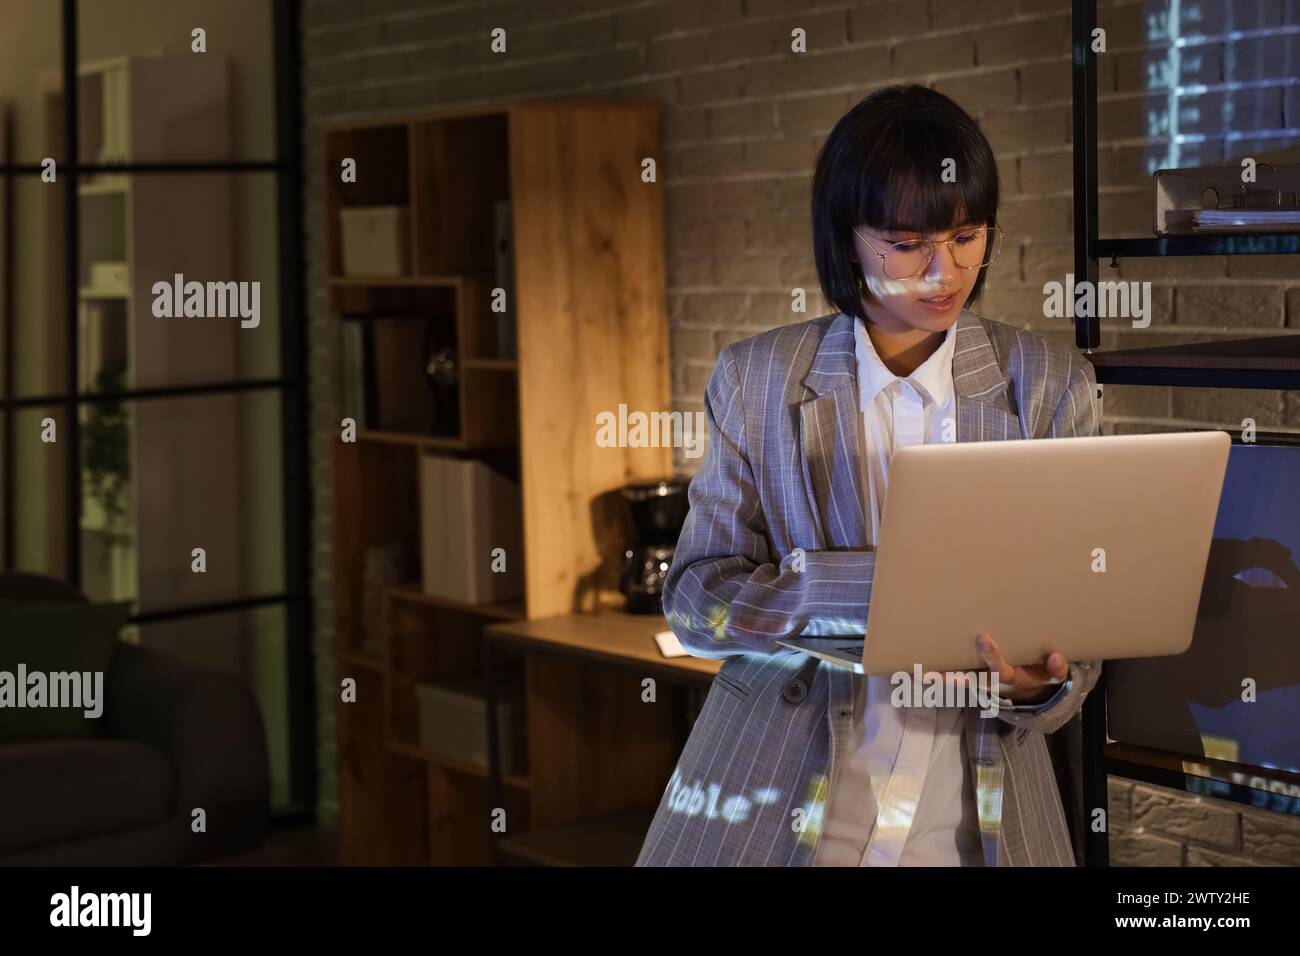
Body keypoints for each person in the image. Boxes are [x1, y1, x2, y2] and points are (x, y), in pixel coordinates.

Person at [636, 84, 1101, 868]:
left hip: (978, 815)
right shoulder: (759, 381)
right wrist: (869, 587)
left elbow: (1082, 616)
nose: (943, 271)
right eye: (906, 241)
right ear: (847, 237)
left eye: (965, 236)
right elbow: (694, 607)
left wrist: (1041, 686)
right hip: (783, 798)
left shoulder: (1050, 384)